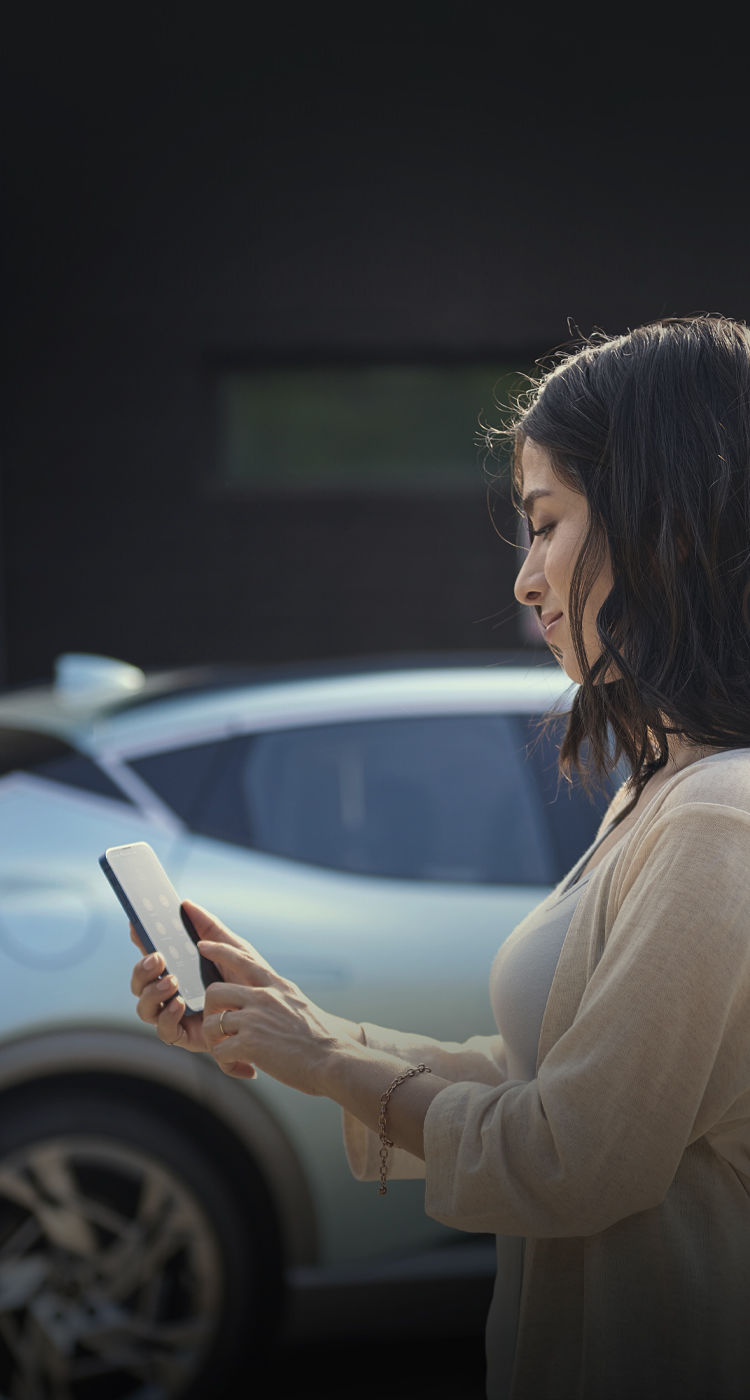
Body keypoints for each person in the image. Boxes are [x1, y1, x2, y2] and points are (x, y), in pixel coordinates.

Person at [131, 314, 750, 1399]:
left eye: (547, 523)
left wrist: (330, 1065)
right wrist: (310, 1031)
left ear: (671, 525)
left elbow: (571, 1155)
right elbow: (545, 1085)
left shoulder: (719, 815)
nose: (526, 578)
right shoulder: (661, 790)